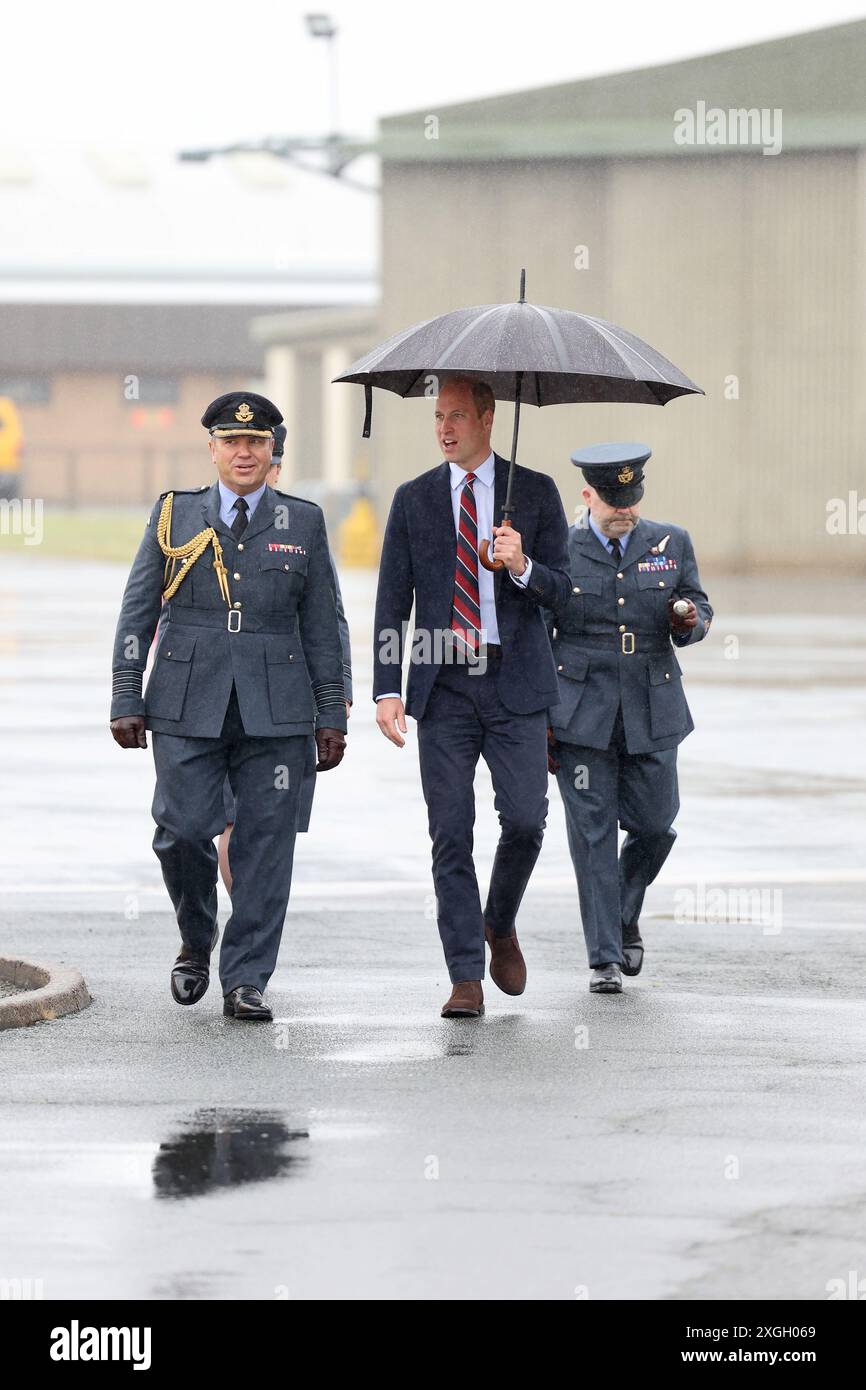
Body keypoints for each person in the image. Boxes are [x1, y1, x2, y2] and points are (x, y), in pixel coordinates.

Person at [109, 392, 347, 1022]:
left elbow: (324, 622)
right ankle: (197, 933)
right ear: (212, 447)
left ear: (274, 451)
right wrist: (125, 692)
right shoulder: (174, 515)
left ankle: (246, 979)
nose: (245, 453)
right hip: (188, 698)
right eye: (232, 441)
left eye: (258, 443)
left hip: (278, 706)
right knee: (180, 831)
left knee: (266, 845)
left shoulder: (304, 521)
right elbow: (139, 607)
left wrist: (332, 713)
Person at [374, 376, 571, 1018]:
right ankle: (464, 975)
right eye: (438, 417)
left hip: (517, 685)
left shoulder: (534, 493)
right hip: (444, 685)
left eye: (457, 415)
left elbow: (564, 592)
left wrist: (522, 567)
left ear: (489, 418)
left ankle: (499, 922)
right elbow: (391, 602)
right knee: (450, 832)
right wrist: (385, 688)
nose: (444, 428)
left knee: (524, 820)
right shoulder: (413, 500)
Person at [545, 442, 713, 994]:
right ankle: (604, 959)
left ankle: (622, 909)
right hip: (580, 711)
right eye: (614, 500)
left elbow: (697, 607)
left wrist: (689, 618)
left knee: (655, 825)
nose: (626, 509)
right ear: (587, 495)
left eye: (632, 498)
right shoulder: (560, 548)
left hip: (652, 703)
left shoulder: (672, 542)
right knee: (590, 834)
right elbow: (536, 634)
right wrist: (539, 716)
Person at [216, 422, 353, 893]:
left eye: (271, 464)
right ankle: (242, 921)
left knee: (273, 825)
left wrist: (338, 695)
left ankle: (252, 922)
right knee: (231, 820)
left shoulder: (299, 528)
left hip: (289, 701)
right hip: (227, 701)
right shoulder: (213, 524)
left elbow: (329, 618)